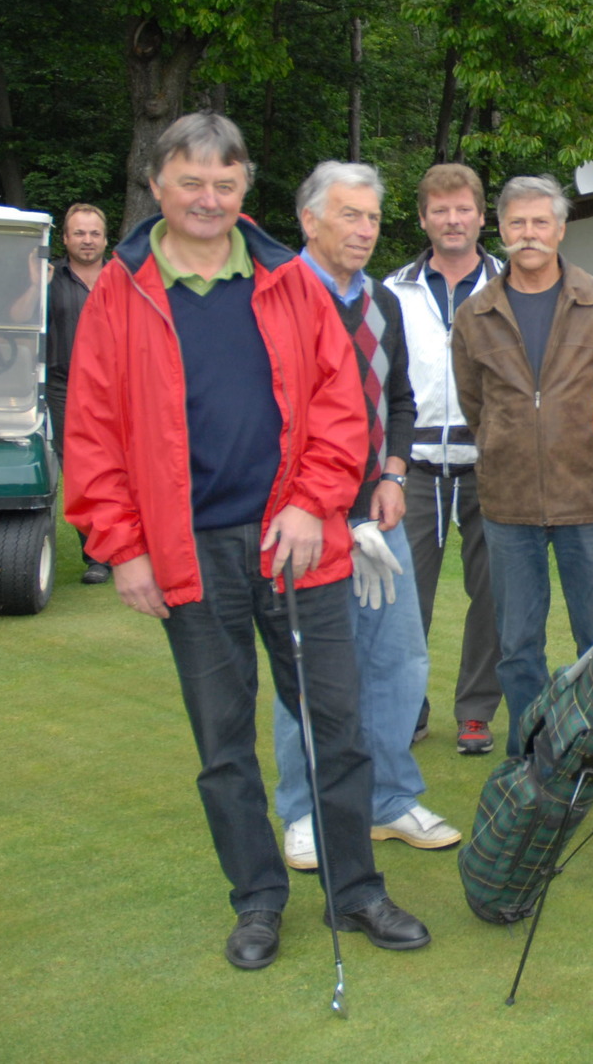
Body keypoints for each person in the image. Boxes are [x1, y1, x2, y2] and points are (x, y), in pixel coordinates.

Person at [64, 112, 428, 972]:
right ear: (157, 185)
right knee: (223, 744)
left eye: (224, 184)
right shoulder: (119, 290)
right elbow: (92, 430)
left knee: (336, 726)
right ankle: (258, 898)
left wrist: (311, 504)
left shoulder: (289, 280)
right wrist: (124, 548)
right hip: (188, 553)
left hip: (297, 543)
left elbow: (342, 408)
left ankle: (355, 888)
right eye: (191, 182)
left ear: (244, 189)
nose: (208, 198)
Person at [270, 162, 461, 875]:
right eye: (349, 215)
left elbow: (399, 402)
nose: (364, 229)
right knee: (307, 668)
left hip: (377, 515)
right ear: (309, 219)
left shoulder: (382, 300)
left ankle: (386, 799)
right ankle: (304, 809)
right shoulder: (275, 298)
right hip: (303, 519)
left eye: (373, 217)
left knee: (396, 661)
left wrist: (393, 474)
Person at [452, 175, 593, 752]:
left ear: (560, 229)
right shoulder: (475, 313)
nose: (528, 234)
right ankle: (531, 754)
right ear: (500, 229)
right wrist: (505, 444)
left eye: (540, 222)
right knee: (517, 645)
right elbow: (474, 403)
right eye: (517, 223)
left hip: (587, 497)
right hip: (507, 504)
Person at [384, 162, 506, 754]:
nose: (452, 220)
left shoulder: (512, 283)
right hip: (414, 463)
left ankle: (476, 710)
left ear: (482, 217)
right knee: (403, 596)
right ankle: (407, 706)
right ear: (423, 218)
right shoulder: (392, 290)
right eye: (440, 210)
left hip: (493, 460)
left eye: (463, 209)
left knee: (494, 593)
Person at [46, 203, 110, 585]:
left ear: (105, 239)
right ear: (66, 238)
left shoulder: (124, 278)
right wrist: (33, 285)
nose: (88, 240)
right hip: (63, 387)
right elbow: (18, 319)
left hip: (116, 388)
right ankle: (98, 556)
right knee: (80, 474)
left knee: (125, 469)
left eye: (94, 233)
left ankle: (132, 546)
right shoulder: (48, 278)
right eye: (80, 233)